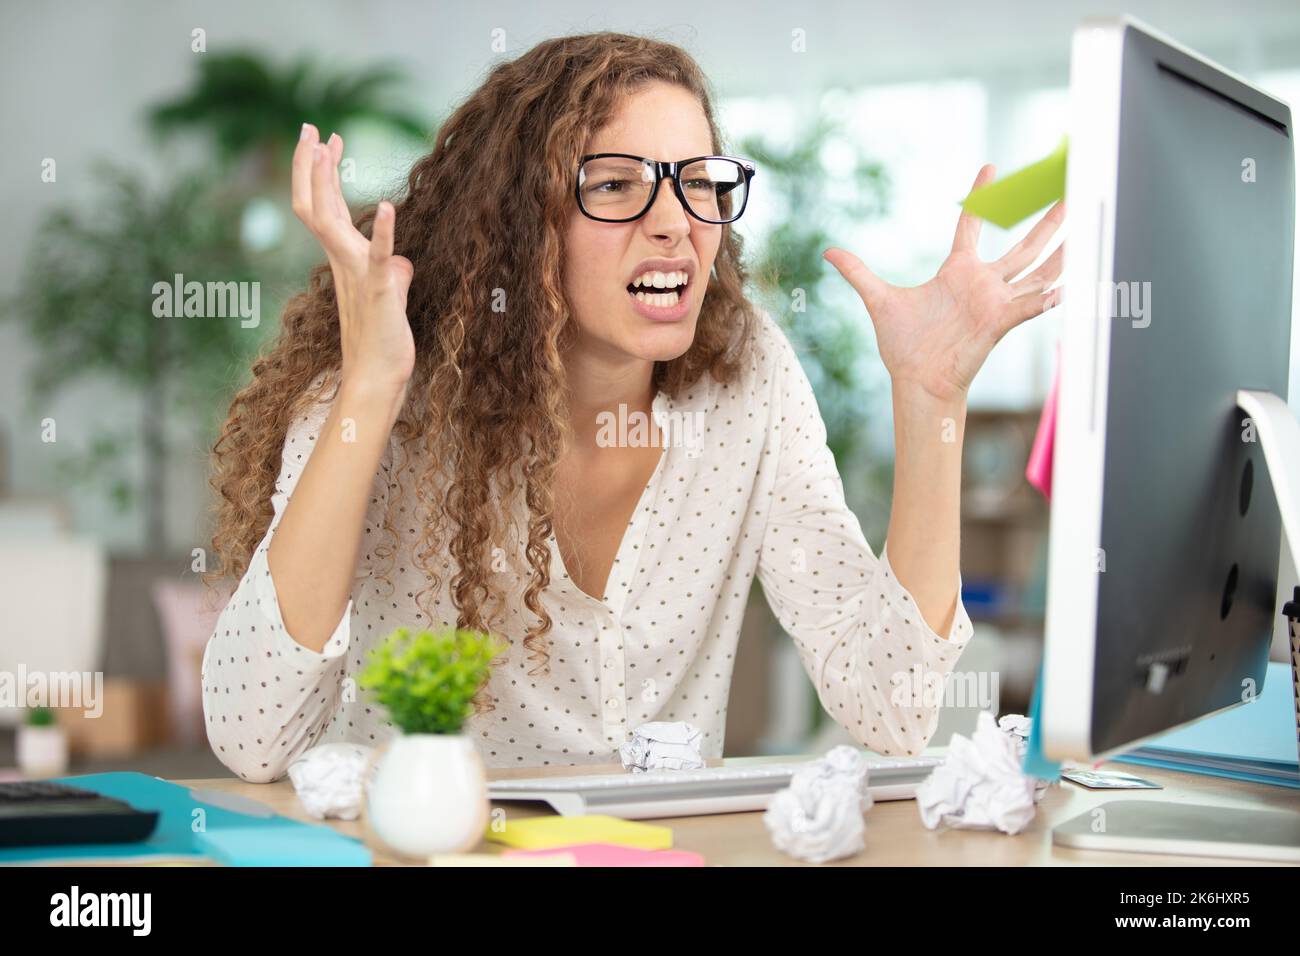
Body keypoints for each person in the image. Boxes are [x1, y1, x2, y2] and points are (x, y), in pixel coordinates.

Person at [202, 32, 1064, 782]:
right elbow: (252, 739)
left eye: (700, 183)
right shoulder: (384, 395)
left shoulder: (747, 382)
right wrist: (370, 388)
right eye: (614, 186)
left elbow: (894, 709)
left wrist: (930, 400)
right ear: (516, 223)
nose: (674, 222)